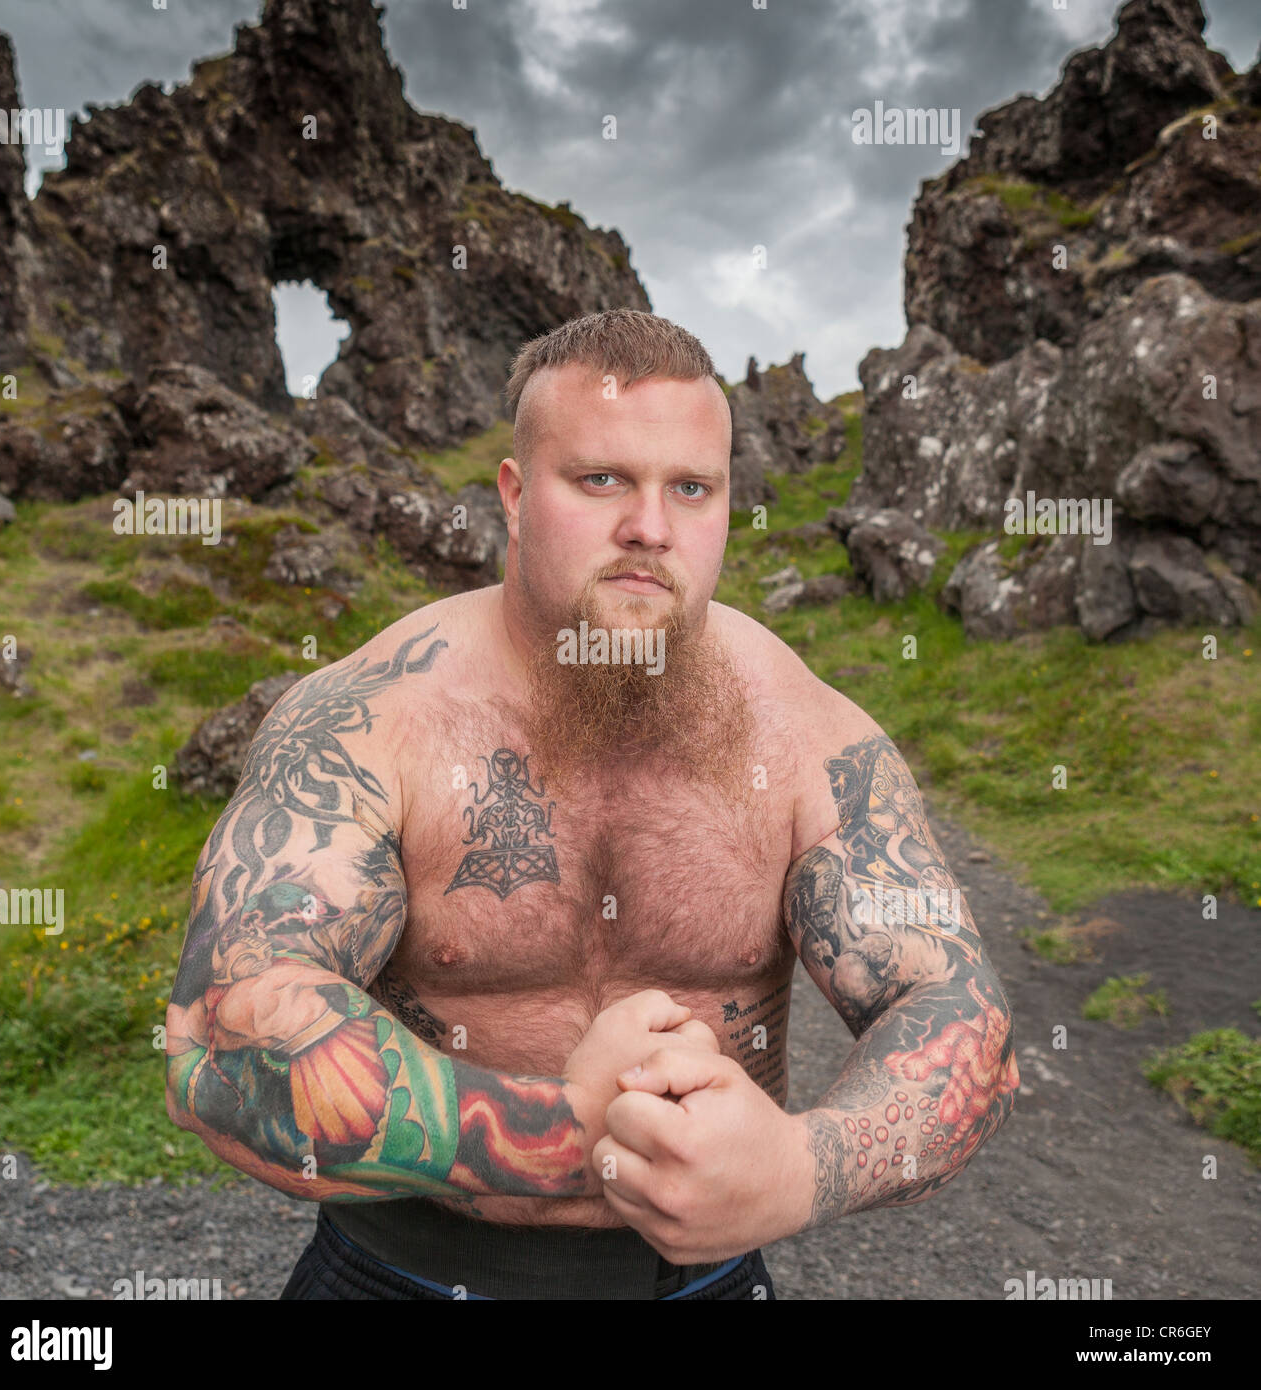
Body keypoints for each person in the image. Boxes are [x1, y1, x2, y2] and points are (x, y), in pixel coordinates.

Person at [164, 308, 1019, 1300]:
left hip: (700, 1284)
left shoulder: (803, 733)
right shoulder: (371, 720)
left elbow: (960, 1013)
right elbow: (221, 1038)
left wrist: (800, 1171)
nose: (649, 528)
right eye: (601, 479)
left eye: (690, 488)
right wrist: (567, 1130)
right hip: (402, 1276)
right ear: (517, 497)